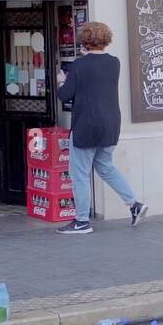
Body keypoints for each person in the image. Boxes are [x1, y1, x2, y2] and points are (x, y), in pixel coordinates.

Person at [55, 22, 147, 234]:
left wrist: (62, 81)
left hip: (86, 126)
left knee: (79, 174)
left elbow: (64, 95)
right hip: (110, 125)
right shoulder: (114, 63)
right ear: (106, 40)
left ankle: (81, 221)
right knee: (105, 167)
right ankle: (134, 204)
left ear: (84, 41)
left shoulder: (78, 66)